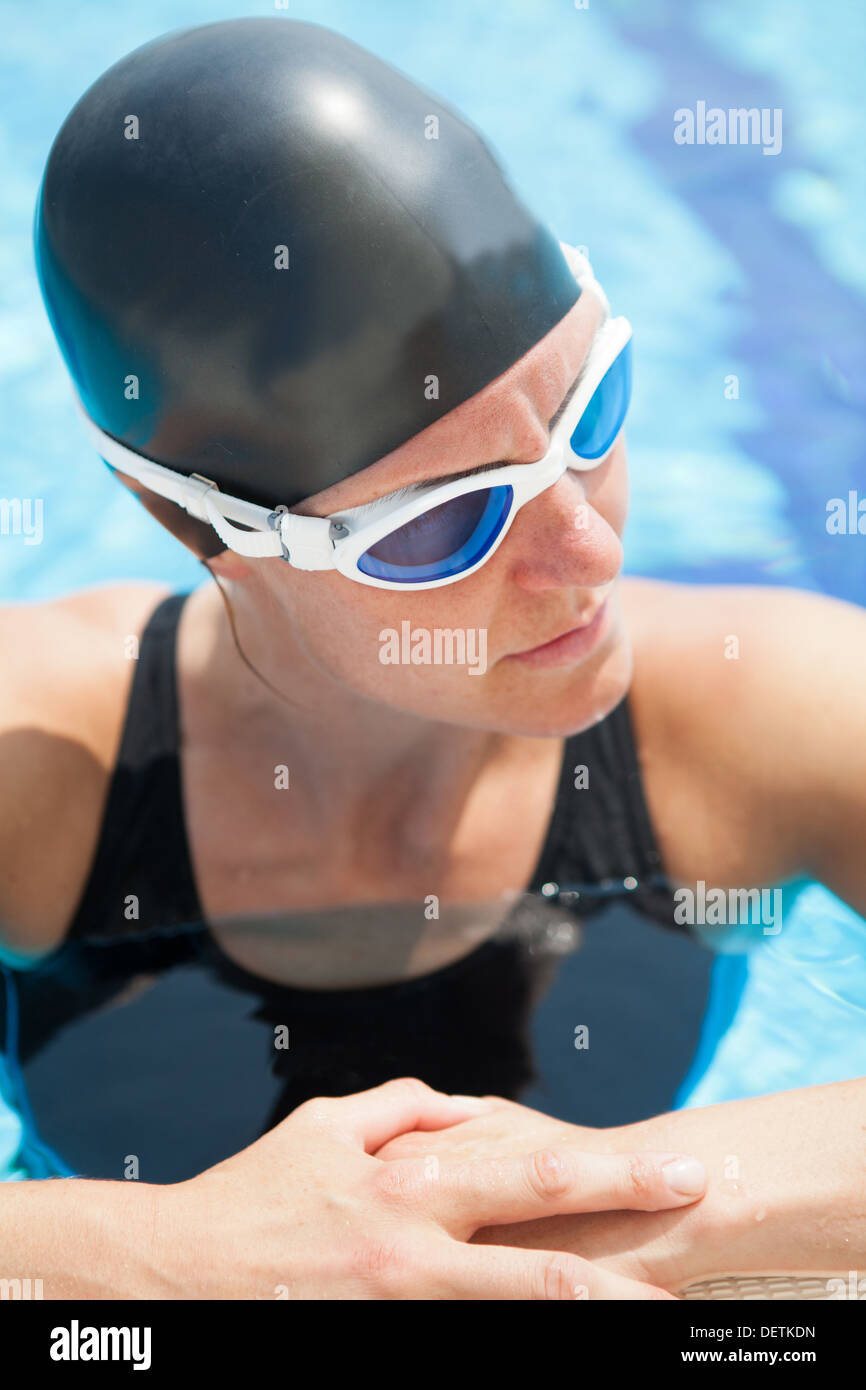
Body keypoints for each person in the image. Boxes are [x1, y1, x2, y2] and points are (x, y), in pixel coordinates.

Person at [1, 17, 863, 1298]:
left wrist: (576, 1222)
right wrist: (164, 1258)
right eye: (447, 522)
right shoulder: (42, 758)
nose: (583, 547)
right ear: (196, 522)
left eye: (593, 410)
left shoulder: (761, 703)